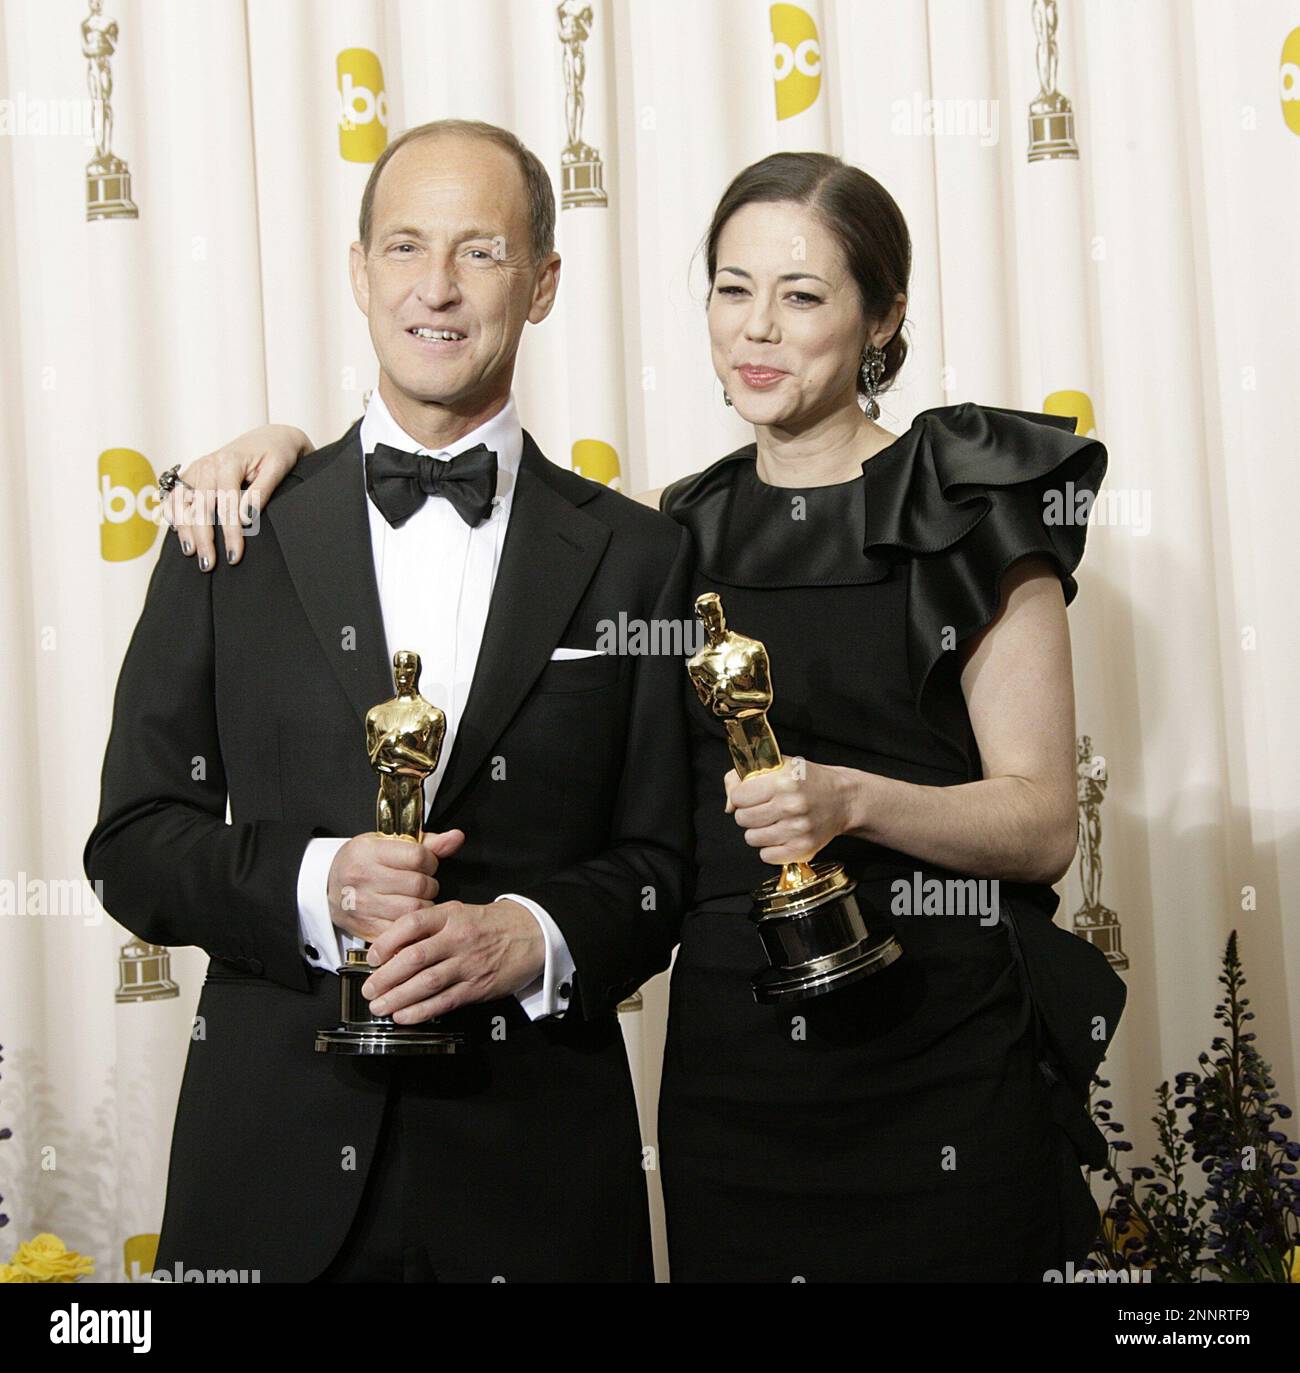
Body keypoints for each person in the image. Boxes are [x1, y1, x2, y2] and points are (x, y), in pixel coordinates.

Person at [172, 150, 1126, 1282]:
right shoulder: (673, 533)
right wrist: (285, 452)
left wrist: (850, 798)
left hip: (933, 1045)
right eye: (731, 288)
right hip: (733, 1062)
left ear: (884, 315)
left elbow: (1041, 824)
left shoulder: (970, 503)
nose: (757, 329)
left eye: (803, 294)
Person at [84, 118, 693, 1284]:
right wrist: (316, 882)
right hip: (268, 1182)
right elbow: (130, 844)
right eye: (406, 247)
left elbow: (664, 861)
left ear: (546, 282)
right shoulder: (231, 524)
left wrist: (534, 934)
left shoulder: (638, 557)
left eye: (482, 251)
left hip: (539, 1178)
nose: (438, 288)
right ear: (358, 273)